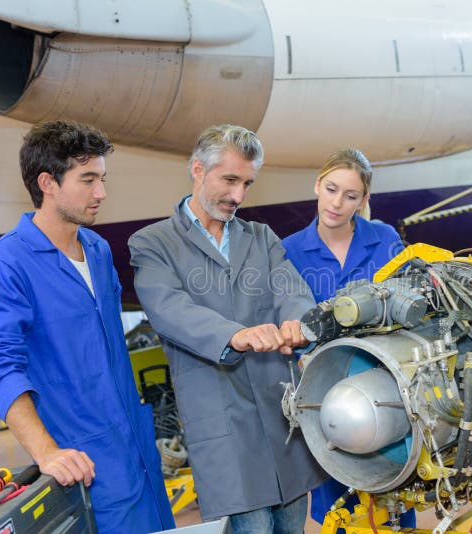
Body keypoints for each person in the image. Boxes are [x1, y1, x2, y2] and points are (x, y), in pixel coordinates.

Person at [0, 120, 174, 533]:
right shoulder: (8, 264)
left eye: (103, 178)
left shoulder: (96, 249)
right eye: (88, 179)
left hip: (137, 457)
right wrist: (47, 452)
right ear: (48, 183)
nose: (101, 193)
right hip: (85, 469)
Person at [128, 124, 327, 533]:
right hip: (222, 424)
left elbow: (291, 290)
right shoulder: (153, 243)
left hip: (280, 414)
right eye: (230, 180)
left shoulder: (260, 237)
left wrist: (297, 321)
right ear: (198, 170)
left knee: (293, 526)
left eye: (247, 183)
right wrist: (234, 334)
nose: (238, 196)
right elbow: (170, 308)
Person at [281, 148, 415, 528]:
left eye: (351, 196)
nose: (337, 203)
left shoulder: (384, 238)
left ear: (364, 201)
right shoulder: (288, 250)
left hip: (387, 386)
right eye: (331, 189)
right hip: (326, 394)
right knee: (337, 503)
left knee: (395, 490)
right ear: (317, 186)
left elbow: (409, 300)